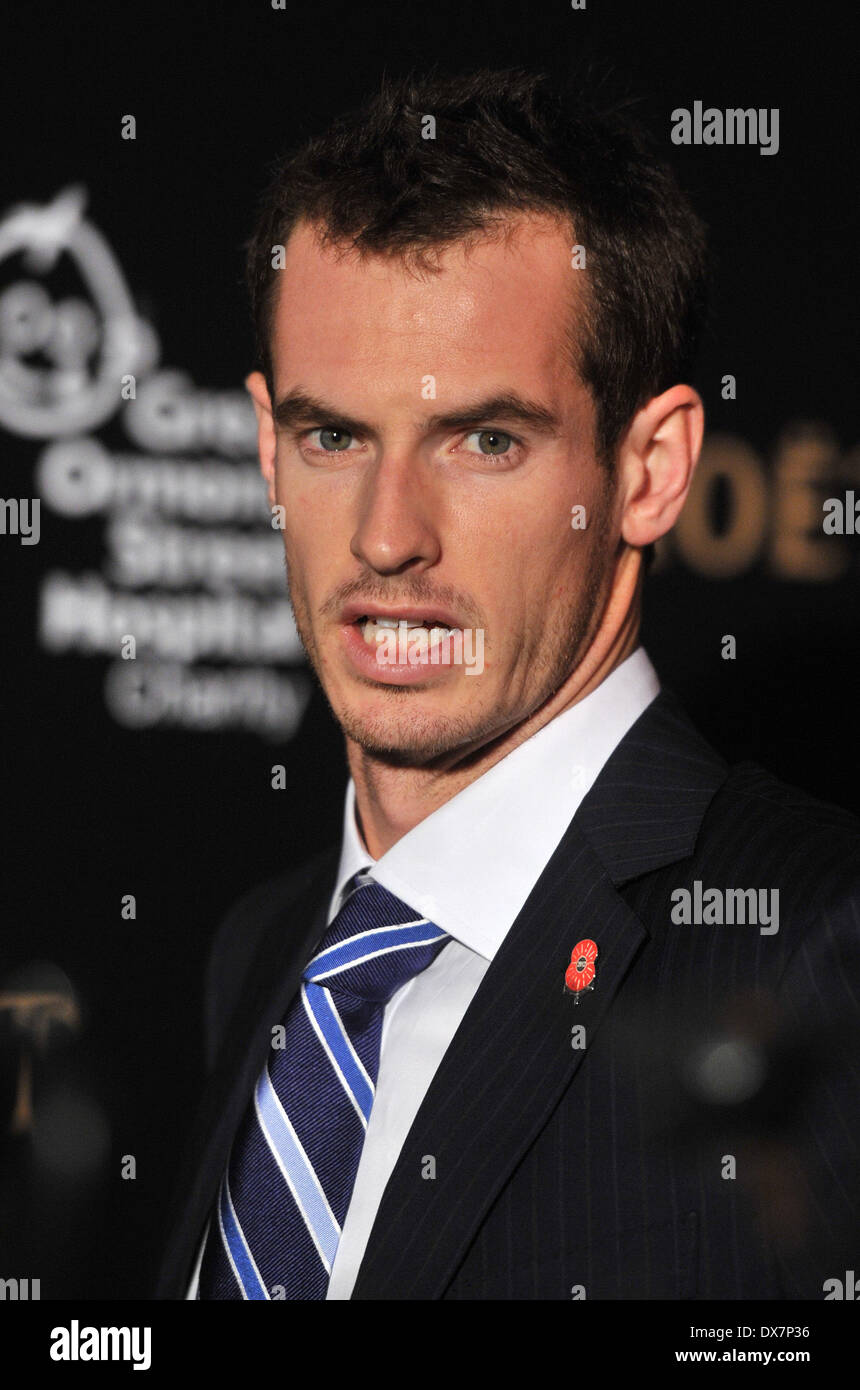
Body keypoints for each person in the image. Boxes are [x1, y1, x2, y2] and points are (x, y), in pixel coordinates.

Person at [155, 68, 860, 1300]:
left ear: (646, 471)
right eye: (334, 438)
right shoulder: (264, 948)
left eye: (484, 441)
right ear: (267, 448)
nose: (386, 537)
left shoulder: (812, 950)